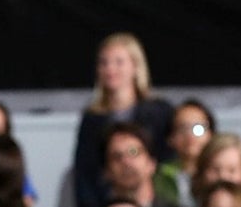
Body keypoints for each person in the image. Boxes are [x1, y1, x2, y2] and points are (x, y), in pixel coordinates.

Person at [70, 35, 173, 207]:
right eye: (104, 63)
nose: (110, 69)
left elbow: (169, 161)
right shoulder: (91, 118)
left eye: (119, 62)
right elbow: (85, 173)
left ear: (135, 66)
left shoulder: (159, 112)